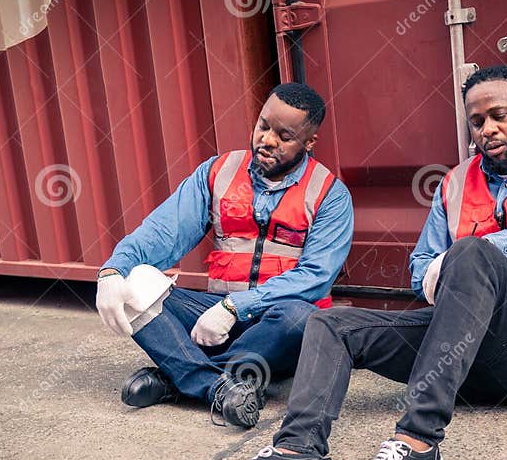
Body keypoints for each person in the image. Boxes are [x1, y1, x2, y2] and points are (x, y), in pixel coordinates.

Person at [192, 65, 507, 460]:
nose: (487, 129)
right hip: (464, 361)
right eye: (476, 122)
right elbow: (421, 267)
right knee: (331, 322)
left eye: (499, 116)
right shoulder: (453, 184)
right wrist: (439, 271)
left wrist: (475, 254)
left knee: (471, 252)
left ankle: (416, 443)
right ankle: (296, 454)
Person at [95, 83, 353, 429]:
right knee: (135, 283)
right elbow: (162, 233)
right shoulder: (218, 173)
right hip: (212, 320)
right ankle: (220, 386)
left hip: (275, 329)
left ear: (309, 143)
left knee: (301, 318)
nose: (268, 140)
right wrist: (113, 270)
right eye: (263, 126)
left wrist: (235, 307)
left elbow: (315, 278)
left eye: (285, 136)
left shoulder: (330, 195)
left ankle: (179, 377)